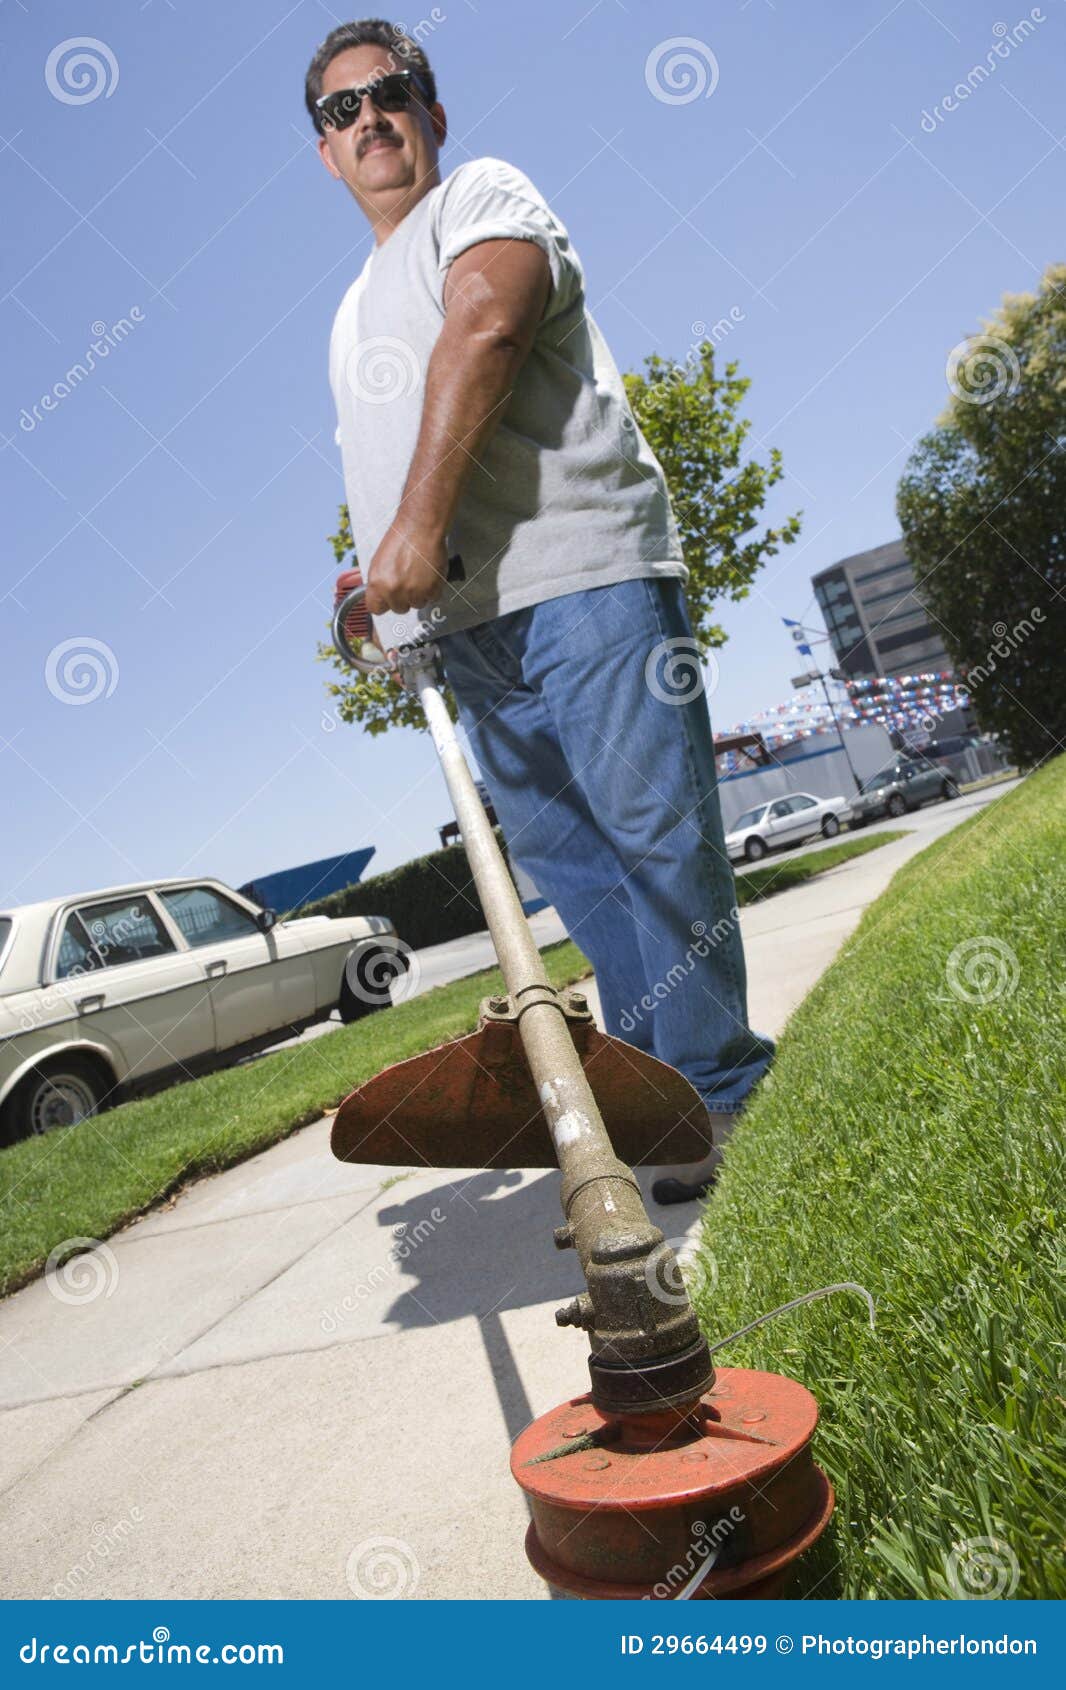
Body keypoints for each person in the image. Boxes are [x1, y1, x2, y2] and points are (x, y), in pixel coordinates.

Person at [307, 19, 774, 1202]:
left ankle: (722, 1089)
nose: (369, 117)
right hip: (467, 634)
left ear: (432, 110)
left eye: (390, 92)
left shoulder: (483, 192)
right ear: (324, 151)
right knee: (587, 881)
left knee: (654, 836)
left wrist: (414, 528)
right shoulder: (348, 311)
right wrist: (376, 572)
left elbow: (492, 323)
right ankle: (660, 1103)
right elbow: (383, 454)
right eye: (340, 109)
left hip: (584, 577)